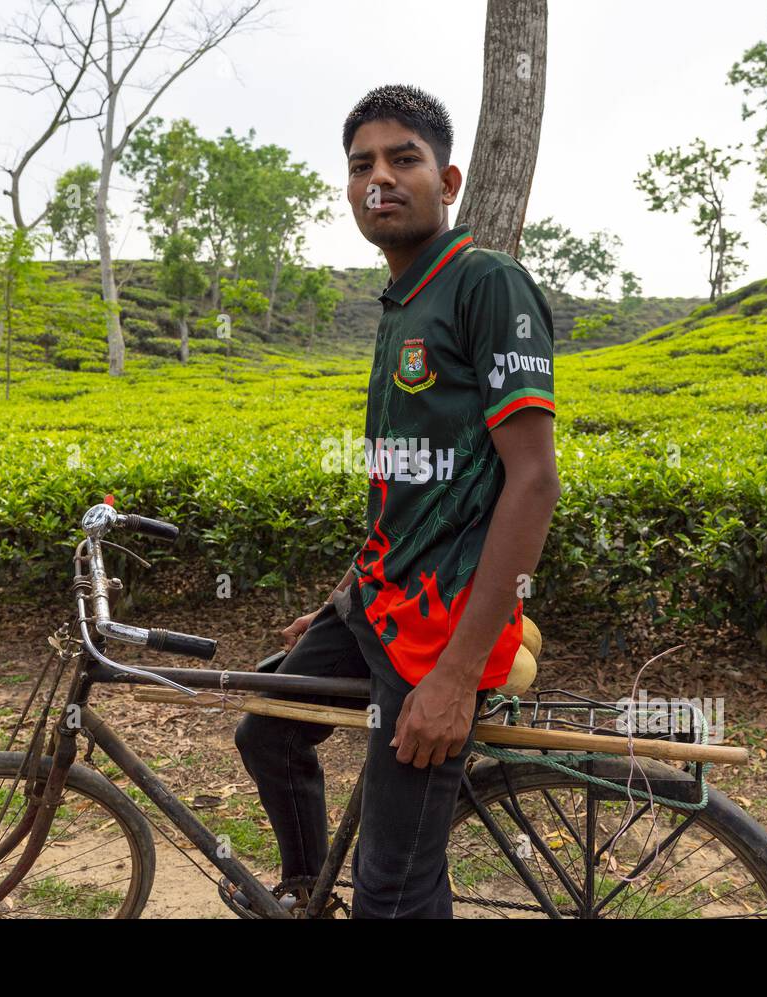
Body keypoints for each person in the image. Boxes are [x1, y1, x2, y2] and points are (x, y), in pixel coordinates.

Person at [232, 83, 561, 918]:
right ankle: (308, 894)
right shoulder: (400, 304)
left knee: (395, 887)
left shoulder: (486, 284)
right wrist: (337, 601)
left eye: (402, 159)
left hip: (440, 631)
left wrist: (452, 681)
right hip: (380, 604)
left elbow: (534, 481)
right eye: (360, 165)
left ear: (447, 182)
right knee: (268, 730)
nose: (379, 178)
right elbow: (405, 498)